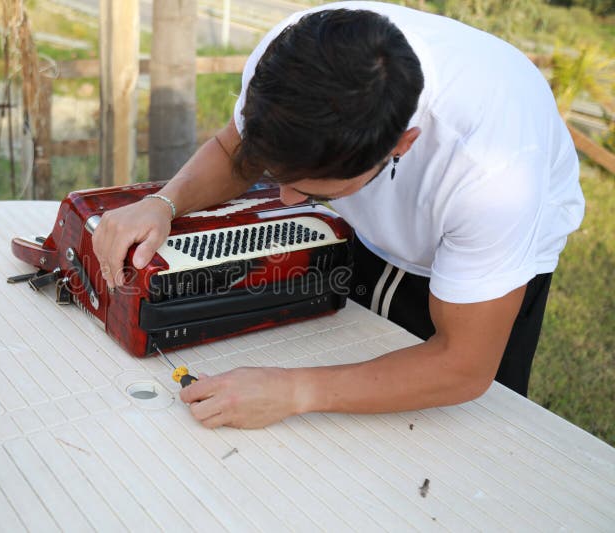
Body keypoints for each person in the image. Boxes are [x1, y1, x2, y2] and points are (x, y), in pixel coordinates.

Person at [91, 2, 585, 429]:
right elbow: (234, 148)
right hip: (375, 233)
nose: (283, 200)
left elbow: (462, 366)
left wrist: (296, 393)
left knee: (455, 442)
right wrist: (164, 202)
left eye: (308, 191)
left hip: (486, 264)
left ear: (401, 145)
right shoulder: (290, 58)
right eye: (280, 178)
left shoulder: (495, 176)